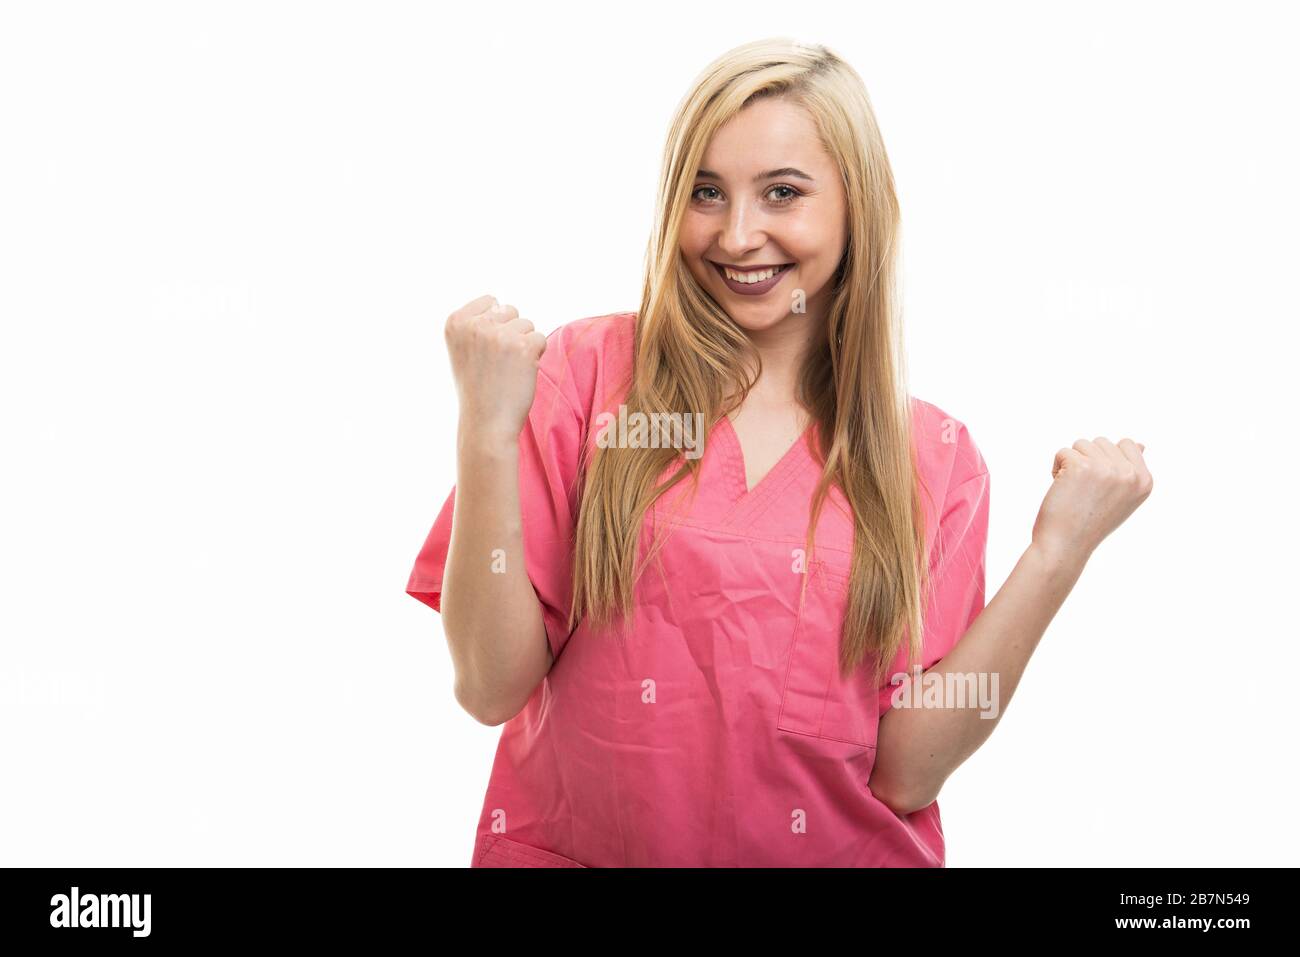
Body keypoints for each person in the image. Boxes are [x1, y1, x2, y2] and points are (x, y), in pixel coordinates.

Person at [405, 37, 1153, 867]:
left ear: (855, 209)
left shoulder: (933, 458)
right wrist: (484, 431)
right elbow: (488, 684)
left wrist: (1057, 552)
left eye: (782, 193)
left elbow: (907, 771)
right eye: (707, 192)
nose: (736, 234)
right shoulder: (583, 377)